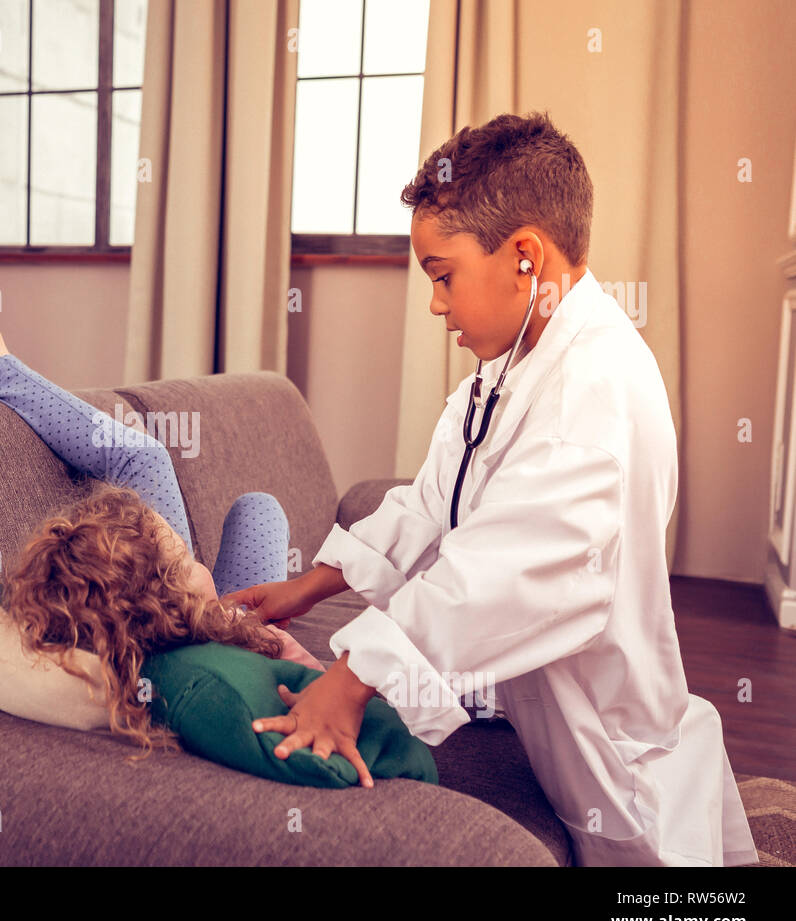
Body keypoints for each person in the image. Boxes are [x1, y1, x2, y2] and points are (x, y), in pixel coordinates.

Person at [229, 111, 759, 866]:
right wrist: (307, 587)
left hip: (618, 772)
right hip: (546, 721)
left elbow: (499, 574)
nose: (437, 305)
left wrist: (352, 680)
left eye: (443, 277)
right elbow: (433, 498)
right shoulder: (513, 362)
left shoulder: (595, 391)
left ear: (525, 258)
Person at [0, 300, 328, 763]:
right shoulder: (233, 656)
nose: (189, 550)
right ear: (167, 598)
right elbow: (320, 688)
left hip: (209, 618)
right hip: (225, 626)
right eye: (184, 556)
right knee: (150, 462)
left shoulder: (162, 623)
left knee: (257, 507)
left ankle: (1, 376)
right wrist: (258, 632)